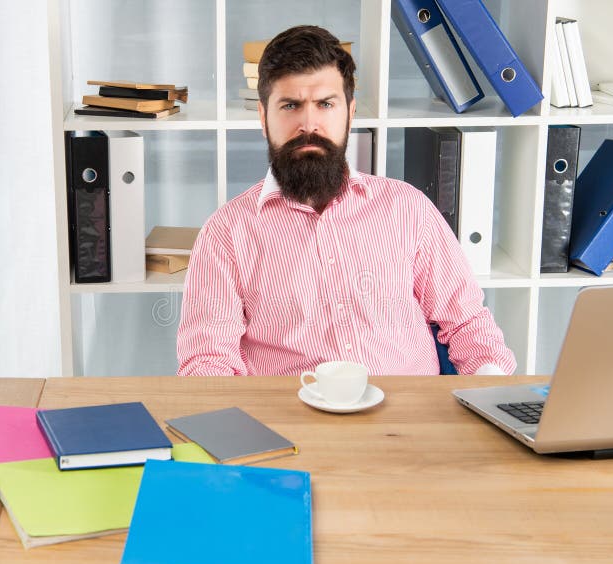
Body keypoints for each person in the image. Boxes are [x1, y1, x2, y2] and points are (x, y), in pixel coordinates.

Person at [177, 25, 515, 377]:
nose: (309, 124)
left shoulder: (407, 209)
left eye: (325, 104)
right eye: (290, 105)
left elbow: (467, 324)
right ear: (264, 118)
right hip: (289, 423)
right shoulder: (226, 233)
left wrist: (488, 389)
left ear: (350, 113)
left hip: (406, 420)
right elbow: (207, 360)